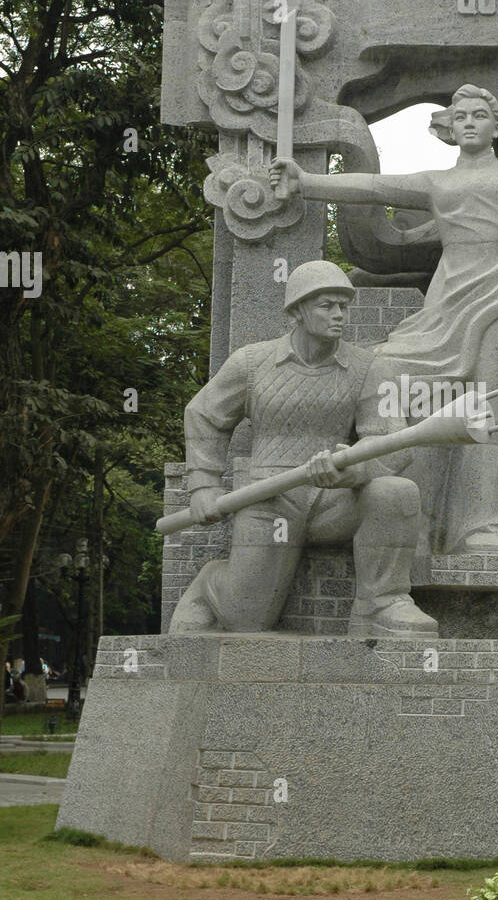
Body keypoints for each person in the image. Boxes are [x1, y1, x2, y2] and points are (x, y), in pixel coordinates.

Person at [271, 11, 498, 554]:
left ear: (496, 124)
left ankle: (483, 529)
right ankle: (409, 514)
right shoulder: (435, 182)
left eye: (481, 115)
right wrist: (308, 181)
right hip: (449, 292)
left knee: (495, 404)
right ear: (448, 128)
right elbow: (371, 185)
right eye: (460, 116)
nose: (470, 123)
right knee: (400, 379)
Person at [170, 261, 438, 638]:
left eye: (344, 306)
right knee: (245, 619)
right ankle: (211, 582)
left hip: (337, 500)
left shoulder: (370, 368)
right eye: (327, 305)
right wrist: (203, 484)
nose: (339, 315)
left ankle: (381, 604)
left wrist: (356, 470)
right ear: (297, 310)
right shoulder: (252, 363)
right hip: (270, 498)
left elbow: (392, 441)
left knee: (396, 492)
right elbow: (204, 415)